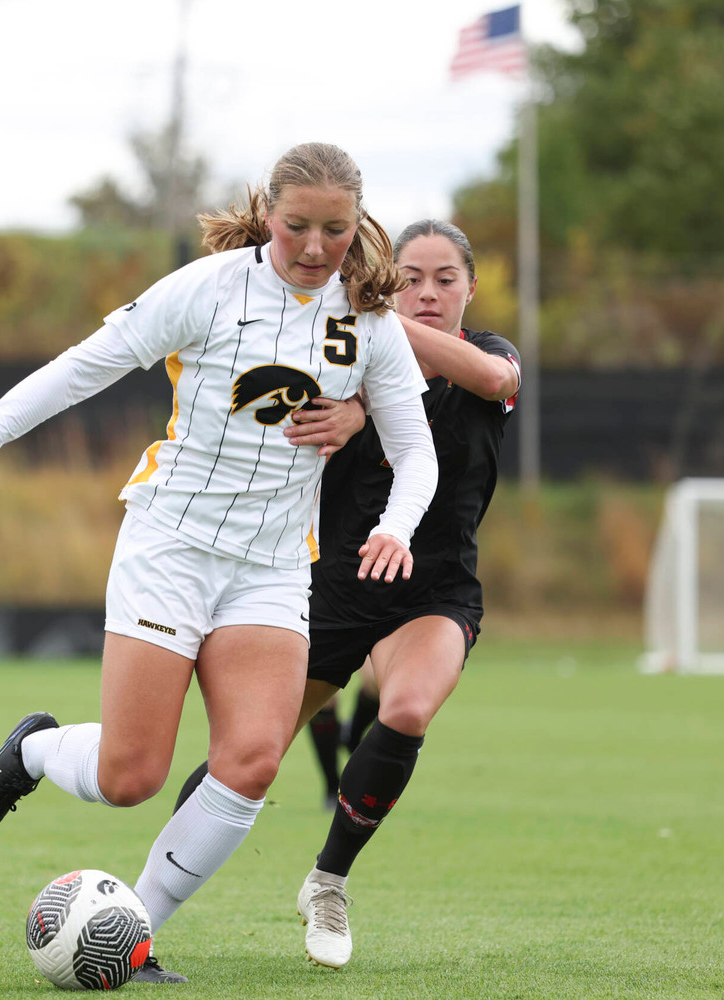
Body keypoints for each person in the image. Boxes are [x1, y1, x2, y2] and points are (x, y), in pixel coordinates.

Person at [0, 143, 439, 983]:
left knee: (252, 762)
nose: (316, 247)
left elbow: (417, 451)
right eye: (297, 226)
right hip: (171, 544)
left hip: (272, 565)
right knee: (131, 775)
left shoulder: (371, 322)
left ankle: (131, 935)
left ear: (356, 223)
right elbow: (80, 369)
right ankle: (33, 751)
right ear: (268, 213)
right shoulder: (207, 288)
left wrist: (396, 526)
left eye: (335, 229)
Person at [175, 219, 520, 969]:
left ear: (470, 288)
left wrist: (373, 315)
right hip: (328, 587)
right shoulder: (344, 354)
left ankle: (327, 883)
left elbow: (492, 382)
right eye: (411, 278)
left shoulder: (487, 356)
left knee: (407, 708)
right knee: (244, 756)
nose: (428, 293)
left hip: (433, 591)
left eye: (446, 279)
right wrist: (353, 397)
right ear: (391, 278)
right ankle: (150, 892)